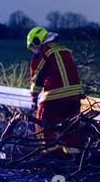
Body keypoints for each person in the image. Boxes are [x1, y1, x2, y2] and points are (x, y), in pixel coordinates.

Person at [26, 26, 85, 156]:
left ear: (38, 41)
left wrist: (34, 97)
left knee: (44, 124)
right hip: (75, 99)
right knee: (71, 129)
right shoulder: (65, 50)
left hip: (54, 98)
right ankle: (73, 157)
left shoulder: (44, 53)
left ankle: (50, 154)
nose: (34, 50)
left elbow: (37, 76)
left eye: (33, 47)